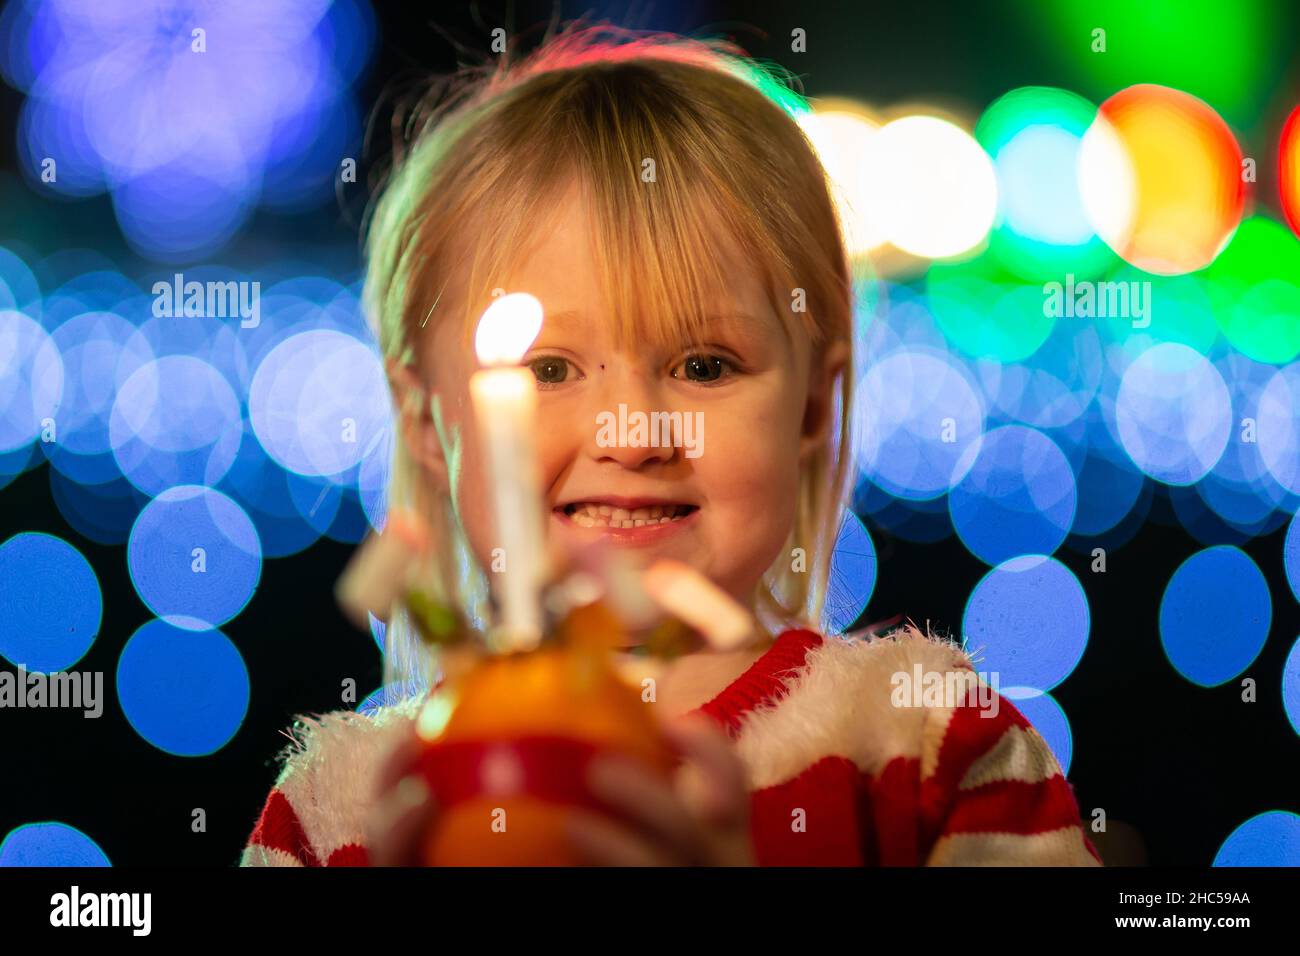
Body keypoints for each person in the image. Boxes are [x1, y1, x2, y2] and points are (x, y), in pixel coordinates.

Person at [240, 24, 1102, 867]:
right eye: (549, 369)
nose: (635, 433)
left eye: (702, 363)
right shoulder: (340, 806)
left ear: (810, 407)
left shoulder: (923, 745)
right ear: (428, 421)